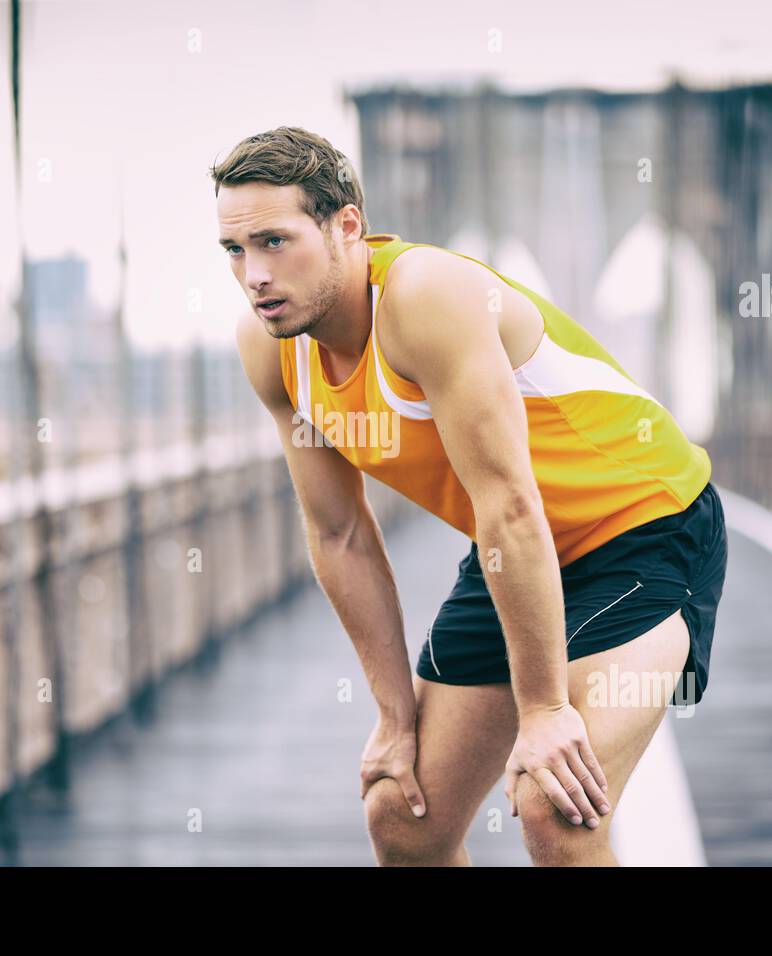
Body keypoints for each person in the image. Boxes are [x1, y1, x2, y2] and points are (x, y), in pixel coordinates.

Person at [214, 126, 727, 866]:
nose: (253, 273)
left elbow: (511, 504)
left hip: (645, 529)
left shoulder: (425, 296)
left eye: (273, 241)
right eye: (234, 251)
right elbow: (340, 535)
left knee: (556, 806)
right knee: (403, 816)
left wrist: (544, 710)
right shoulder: (270, 349)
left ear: (347, 225)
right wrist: (394, 716)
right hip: (517, 552)